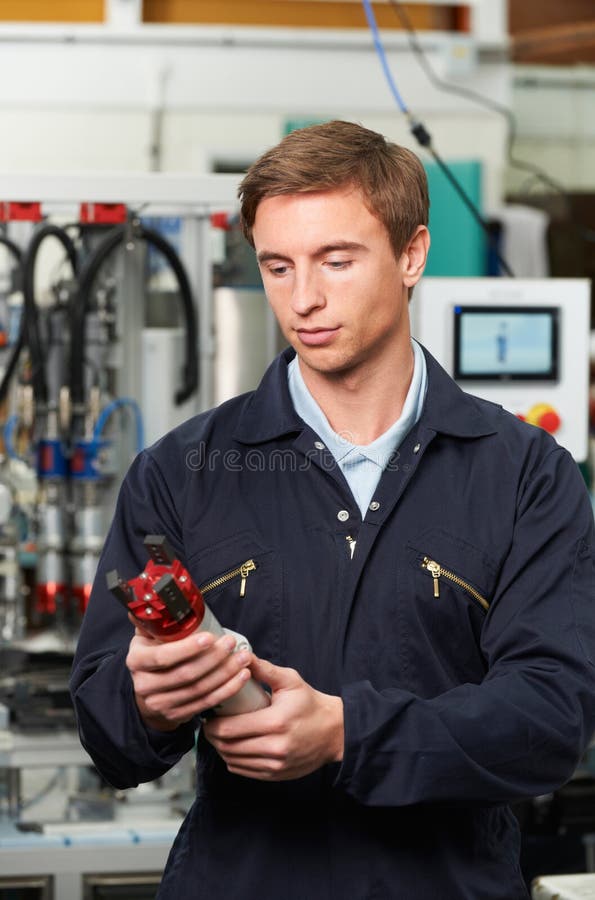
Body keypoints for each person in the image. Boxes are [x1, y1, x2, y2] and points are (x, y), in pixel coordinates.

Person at [70, 121, 595, 900]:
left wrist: (347, 735)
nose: (303, 299)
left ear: (411, 254)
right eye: (276, 267)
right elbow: (108, 739)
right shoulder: (184, 472)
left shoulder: (525, 475)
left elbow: (548, 722)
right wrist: (145, 699)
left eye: (335, 261)